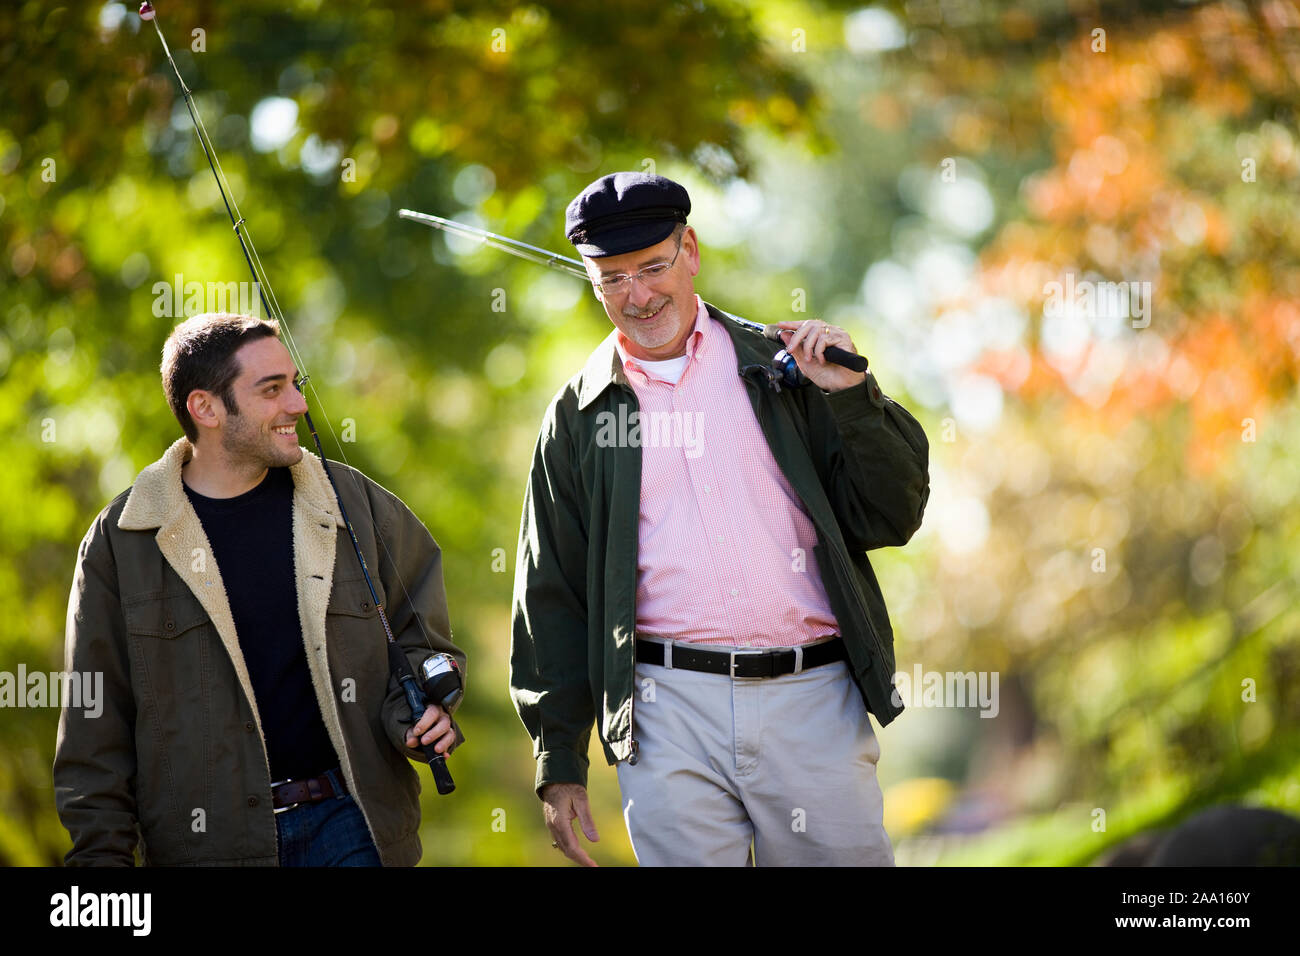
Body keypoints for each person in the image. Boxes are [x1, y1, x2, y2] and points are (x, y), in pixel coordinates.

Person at [509, 172, 930, 866]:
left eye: (653, 267)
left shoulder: (785, 369)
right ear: (591, 281)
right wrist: (559, 757)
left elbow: (893, 515)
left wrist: (853, 397)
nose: (638, 296)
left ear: (691, 251)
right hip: (666, 712)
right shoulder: (576, 417)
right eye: (613, 279)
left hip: (814, 701)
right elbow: (549, 592)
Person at [54, 312, 465, 866]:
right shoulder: (121, 542)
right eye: (272, 390)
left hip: (351, 827)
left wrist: (416, 714)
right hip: (203, 849)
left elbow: (422, 642)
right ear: (206, 408)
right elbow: (93, 725)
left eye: (294, 384)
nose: (297, 403)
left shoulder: (355, 504)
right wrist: (101, 862)